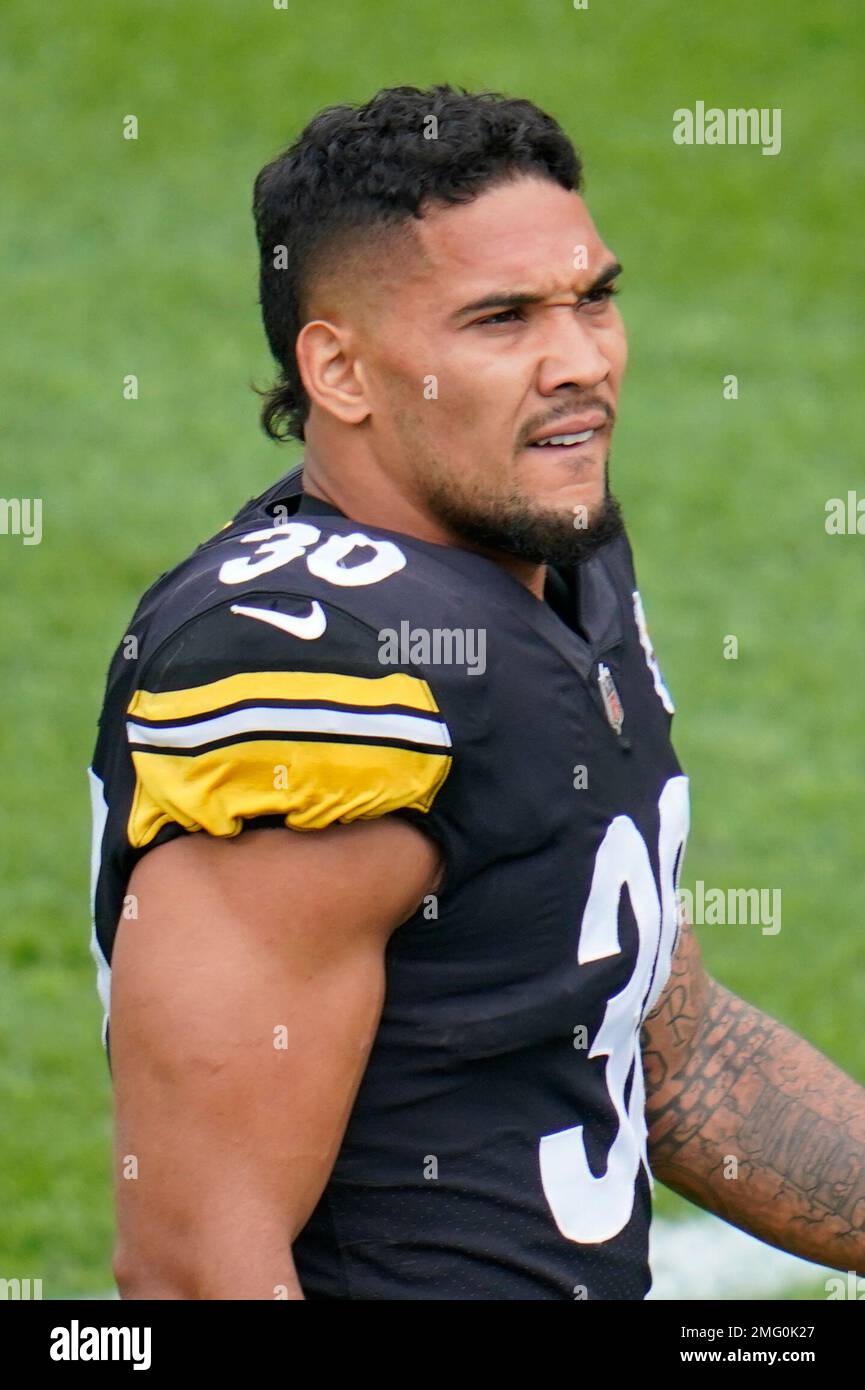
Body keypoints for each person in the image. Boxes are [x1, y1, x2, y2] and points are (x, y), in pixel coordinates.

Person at [88, 84, 865, 1300]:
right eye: (501, 320)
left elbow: (674, 1050)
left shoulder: (560, 560)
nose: (581, 364)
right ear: (338, 369)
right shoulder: (316, 664)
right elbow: (196, 1268)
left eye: (593, 299)